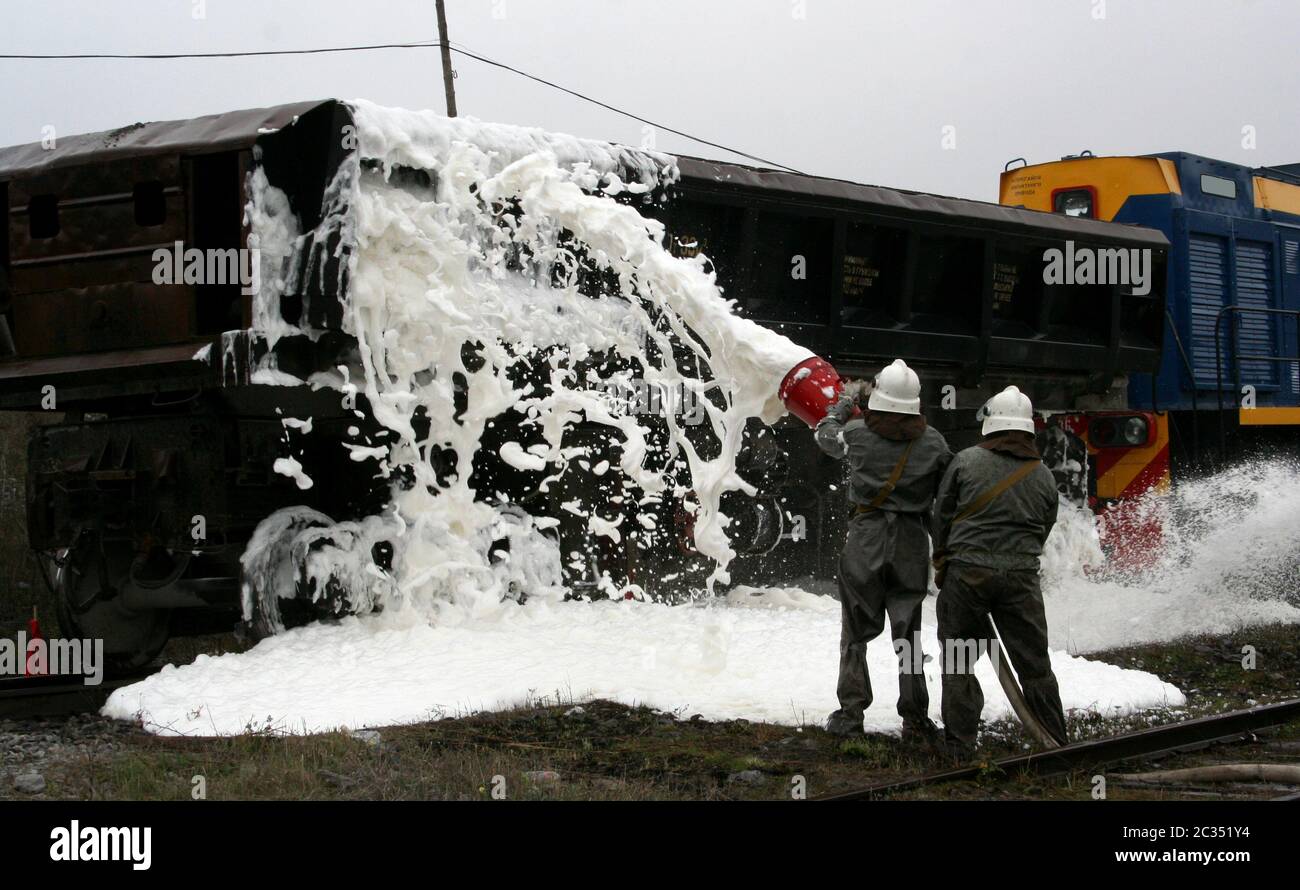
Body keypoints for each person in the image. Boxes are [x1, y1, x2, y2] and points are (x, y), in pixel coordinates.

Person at [815, 359, 953, 741]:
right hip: (911, 540)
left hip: (866, 536)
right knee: (908, 634)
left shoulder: (856, 434)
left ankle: (850, 714)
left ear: (877, 399)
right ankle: (915, 718)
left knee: (855, 631)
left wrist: (845, 400)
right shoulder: (934, 443)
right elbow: (948, 492)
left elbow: (825, 434)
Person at [931, 385, 1068, 757]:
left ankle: (960, 746)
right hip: (1020, 581)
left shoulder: (965, 461)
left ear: (990, 426)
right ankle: (1055, 743)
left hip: (966, 577)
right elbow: (1043, 527)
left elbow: (941, 515)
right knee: (1034, 665)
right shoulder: (1043, 476)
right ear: (1027, 429)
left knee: (958, 661)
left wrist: (944, 561)